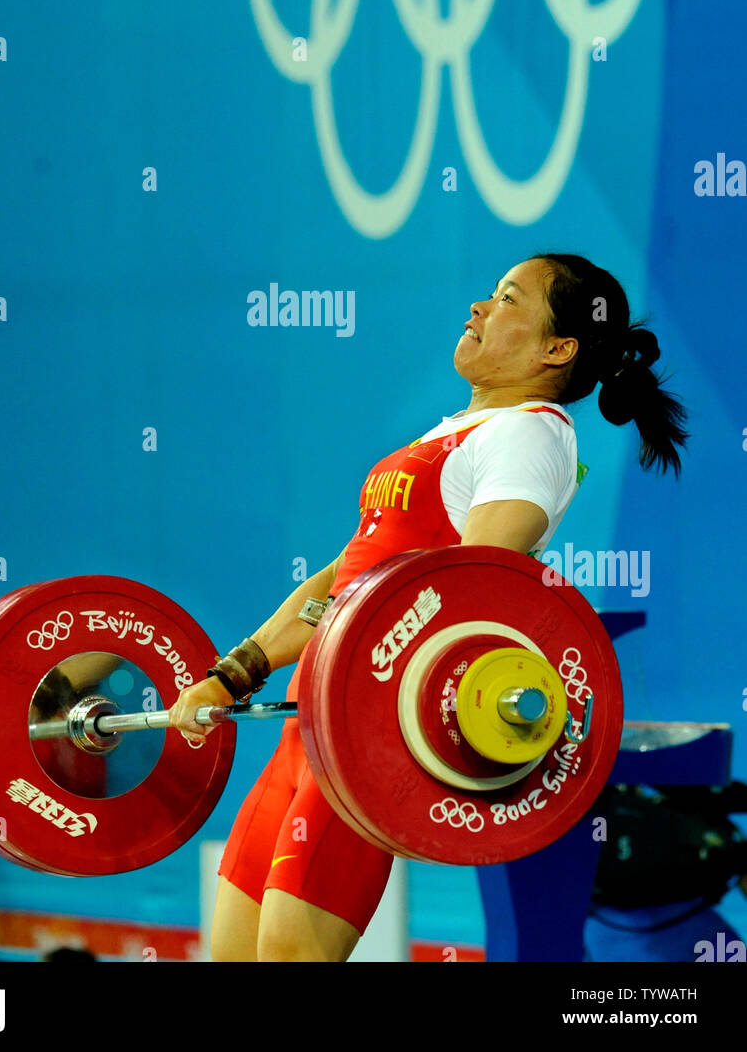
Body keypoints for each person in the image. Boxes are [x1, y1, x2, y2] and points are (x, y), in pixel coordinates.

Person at [169, 252, 688, 962]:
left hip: (361, 742)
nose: (479, 307)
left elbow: (478, 591)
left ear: (555, 349)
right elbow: (338, 580)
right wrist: (232, 673)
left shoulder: (529, 434)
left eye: (507, 299)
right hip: (307, 729)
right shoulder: (447, 435)